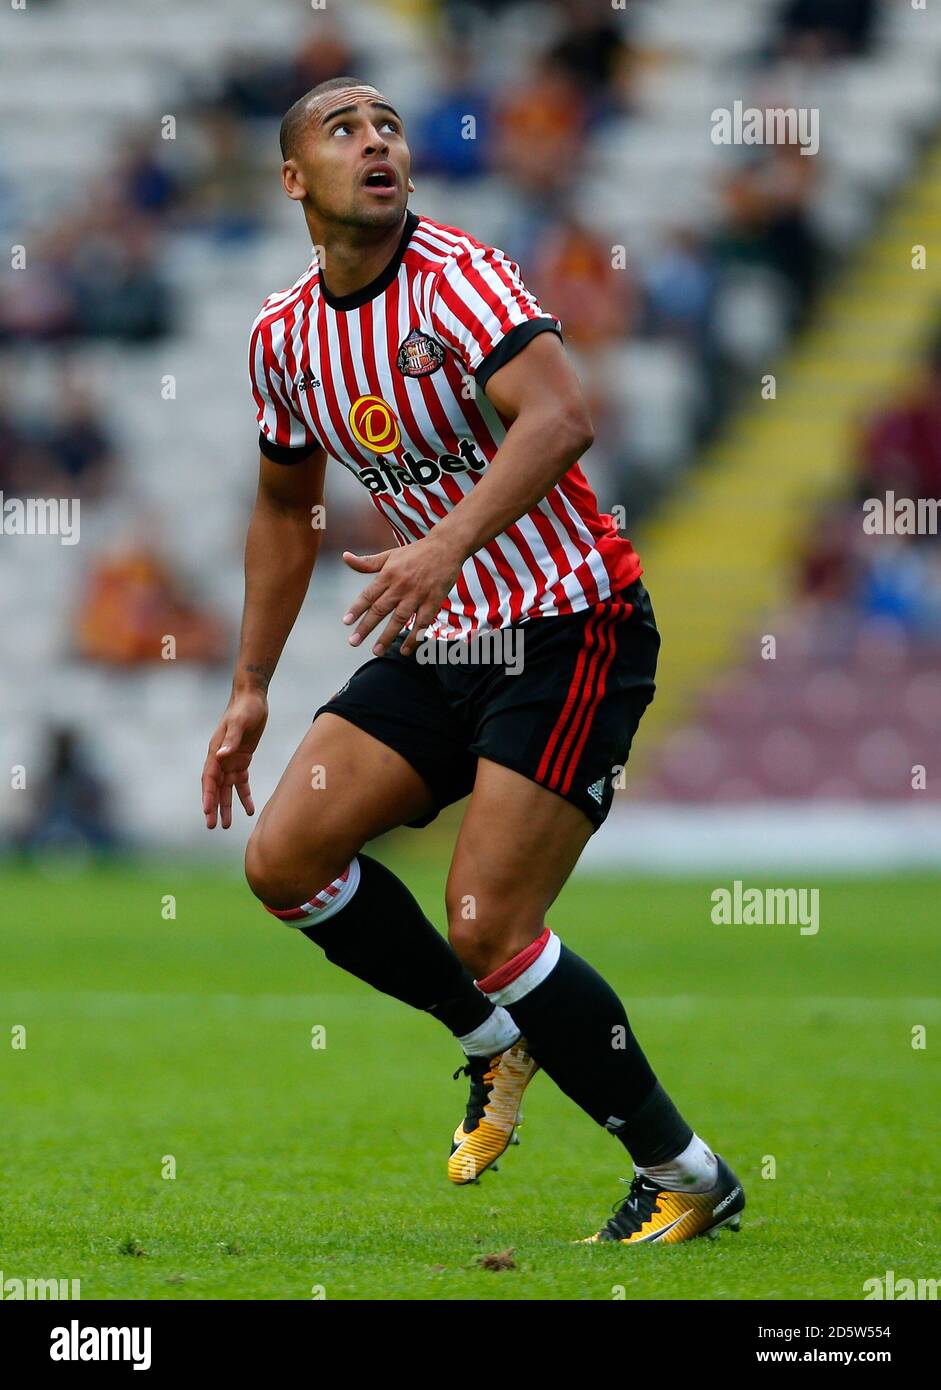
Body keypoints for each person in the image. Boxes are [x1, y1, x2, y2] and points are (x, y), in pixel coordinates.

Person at [200, 77, 744, 1244]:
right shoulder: (282, 336)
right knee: (284, 860)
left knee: (487, 922)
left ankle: (686, 1173)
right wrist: (248, 685)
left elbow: (560, 417)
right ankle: (493, 1041)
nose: (376, 142)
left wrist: (444, 544)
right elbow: (284, 506)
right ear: (293, 180)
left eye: (387, 126)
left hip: (568, 622)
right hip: (443, 632)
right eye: (343, 130)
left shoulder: (458, 276)